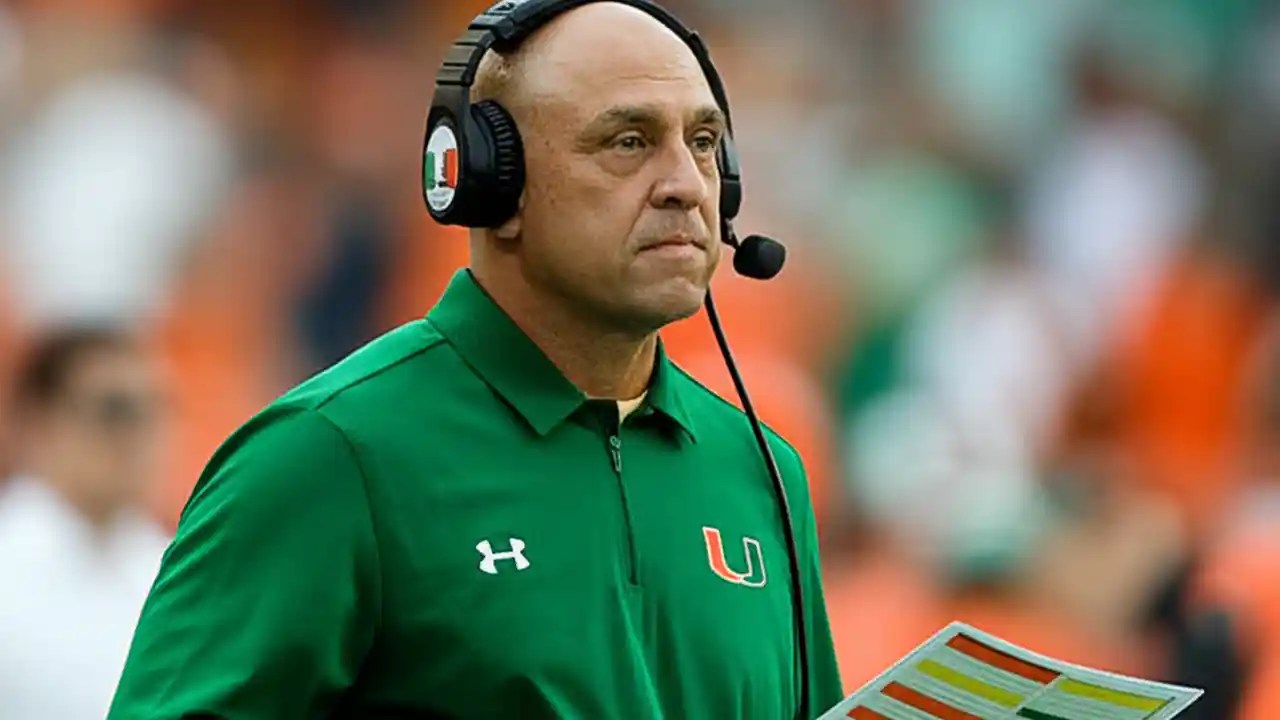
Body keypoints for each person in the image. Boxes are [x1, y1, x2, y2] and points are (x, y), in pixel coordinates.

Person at [108, 1, 843, 718]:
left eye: (706, 142)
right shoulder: (326, 456)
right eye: (628, 141)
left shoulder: (761, 471)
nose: (687, 183)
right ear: (493, 178)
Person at [0, 325, 170, 720]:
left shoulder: (167, 562)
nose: (139, 435)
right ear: (38, 422)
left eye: (154, 409)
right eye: (115, 409)